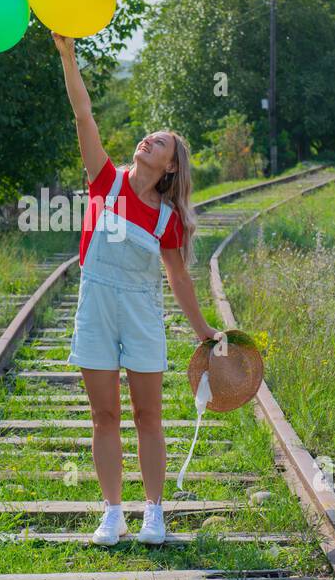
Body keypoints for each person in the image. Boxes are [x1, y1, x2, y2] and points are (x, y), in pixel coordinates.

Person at [53, 33, 219, 546]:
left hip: (142, 314)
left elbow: (179, 279)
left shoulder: (169, 218)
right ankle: (111, 512)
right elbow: (84, 115)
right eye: (149, 136)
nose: (149, 139)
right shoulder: (106, 181)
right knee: (103, 415)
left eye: (161, 142)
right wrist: (68, 55)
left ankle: (153, 511)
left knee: (149, 414)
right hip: (97, 307)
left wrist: (206, 334)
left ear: (171, 166)